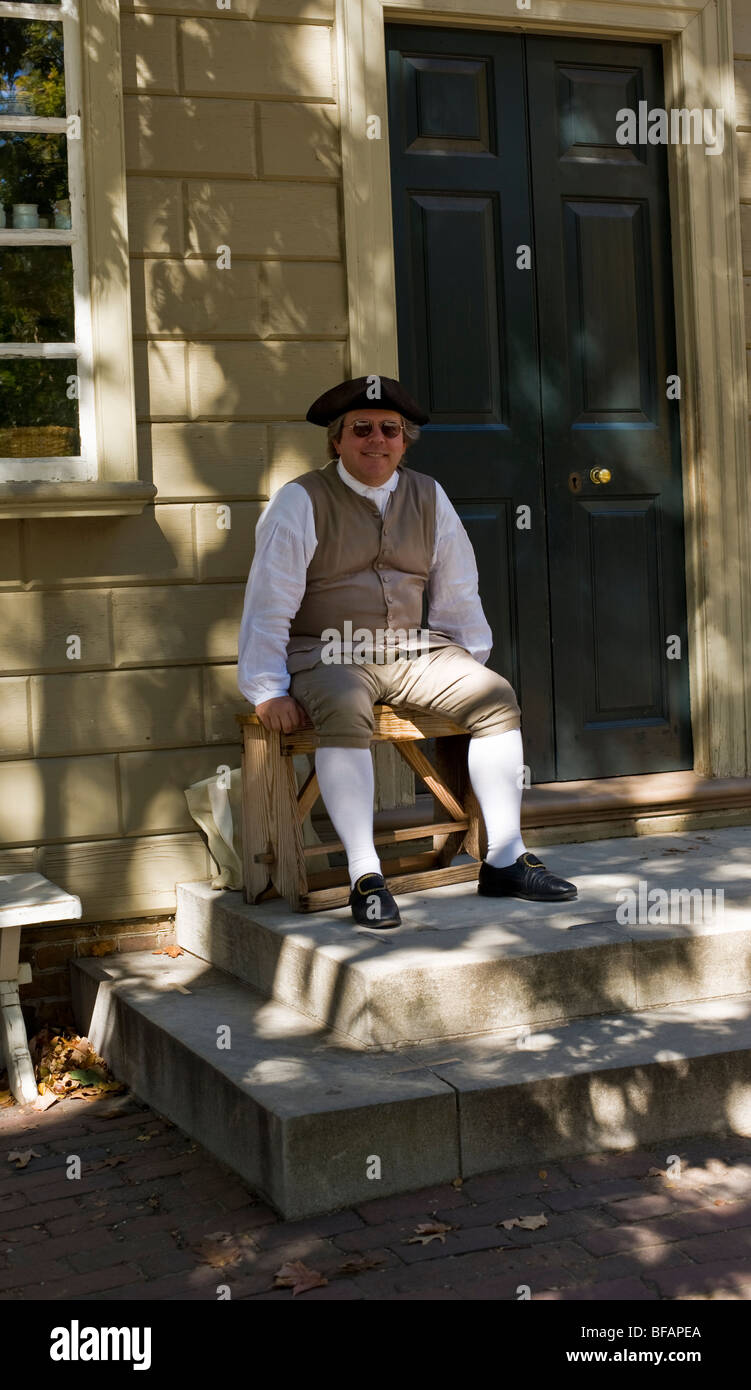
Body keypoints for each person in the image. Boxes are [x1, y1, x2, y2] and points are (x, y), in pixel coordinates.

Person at [238, 374, 577, 929]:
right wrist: (266, 689)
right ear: (338, 440)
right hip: (328, 652)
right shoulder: (300, 500)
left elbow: (457, 586)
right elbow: (268, 599)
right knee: (345, 706)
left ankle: (505, 858)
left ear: (405, 438)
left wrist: (467, 661)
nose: (377, 440)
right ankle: (365, 875)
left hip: (411, 649)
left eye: (390, 429)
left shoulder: (428, 494)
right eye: (362, 429)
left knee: (494, 699)